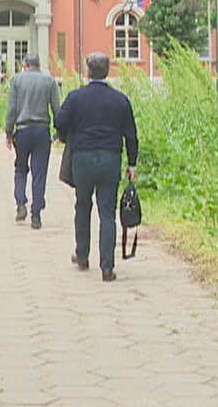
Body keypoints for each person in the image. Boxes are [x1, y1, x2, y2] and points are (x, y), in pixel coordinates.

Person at [53, 51, 138, 281]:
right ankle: (107, 267)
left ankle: (82, 255)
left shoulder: (76, 97)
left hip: (82, 158)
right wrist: (132, 163)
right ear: (107, 71)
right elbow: (131, 134)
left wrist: (65, 134)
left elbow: (59, 121)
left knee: (82, 205)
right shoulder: (120, 100)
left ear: (88, 71)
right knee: (107, 212)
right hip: (110, 159)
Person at [4, 55, 59, 230]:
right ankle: (36, 214)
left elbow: (12, 109)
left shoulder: (17, 80)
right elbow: (57, 109)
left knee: (20, 168)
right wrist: (60, 132)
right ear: (39, 64)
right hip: (42, 131)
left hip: (23, 130)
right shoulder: (49, 81)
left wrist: (8, 132)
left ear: (25, 65)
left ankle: (21, 203)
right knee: (39, 172)